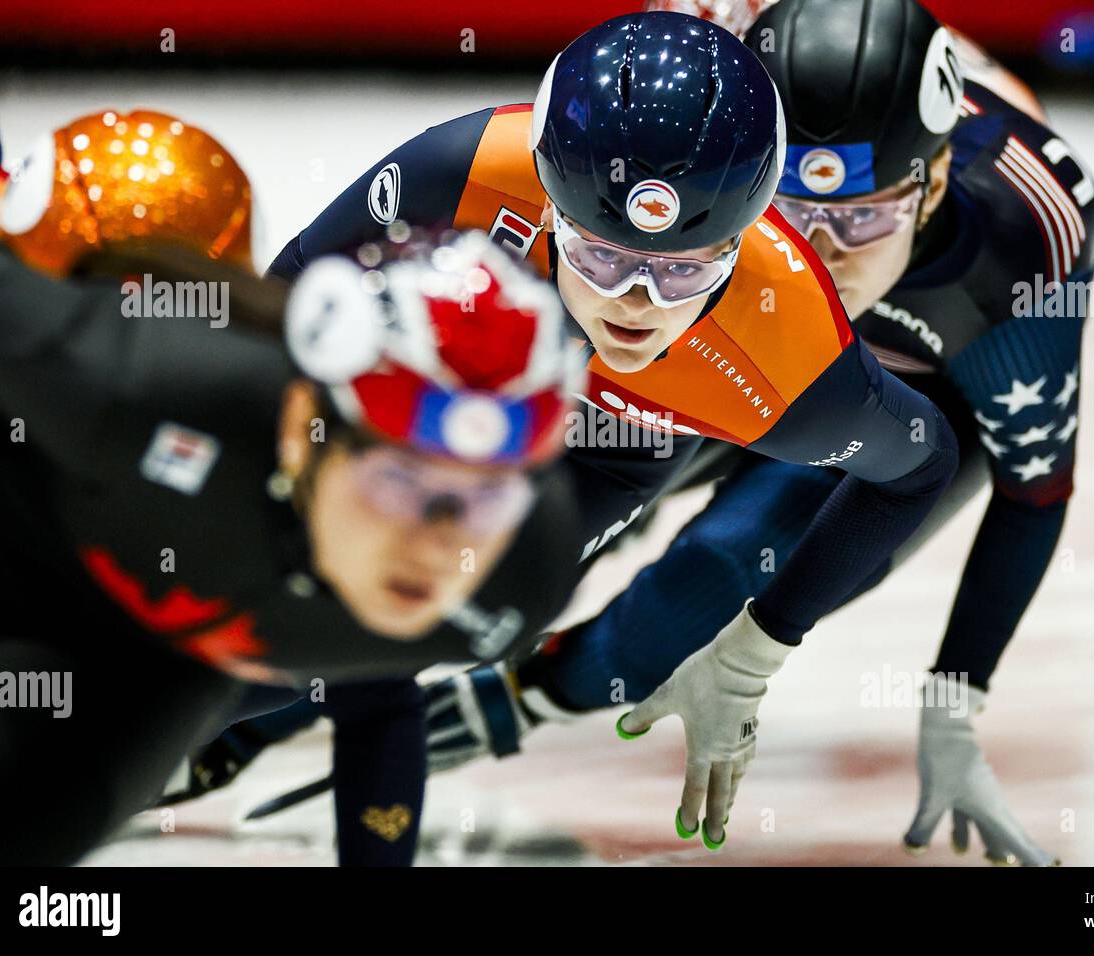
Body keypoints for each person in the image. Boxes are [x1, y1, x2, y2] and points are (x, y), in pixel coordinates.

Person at [424, 0, 1094, 864]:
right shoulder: (710, 71)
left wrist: (954, 704)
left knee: (707, 589)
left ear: (932, 184)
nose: (825, 254)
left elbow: (1033, 495)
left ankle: (517, 699)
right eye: (793, 207)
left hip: (919, 372)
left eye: (861, 218)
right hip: (739, 315)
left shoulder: (1025, 251)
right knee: (552, 500)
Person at [259, 10, 958, 851]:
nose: (635, 301)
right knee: (294, 591)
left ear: (744, 243)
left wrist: (758, 645)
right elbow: (279, 315)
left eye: (683, 270)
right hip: (471, 404)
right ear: (547, 205)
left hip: (619, 452)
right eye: (601, 255)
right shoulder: (469, 169)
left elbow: (921, 467)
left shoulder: (793, 355)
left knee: (397, 624)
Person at [0, 72, 584, 864]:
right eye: (401, 481)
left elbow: (377, 704)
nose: (440, 544)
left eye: (488, 498)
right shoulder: (144, 387)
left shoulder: (516, 580)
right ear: (303, 430)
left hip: (144, 667)